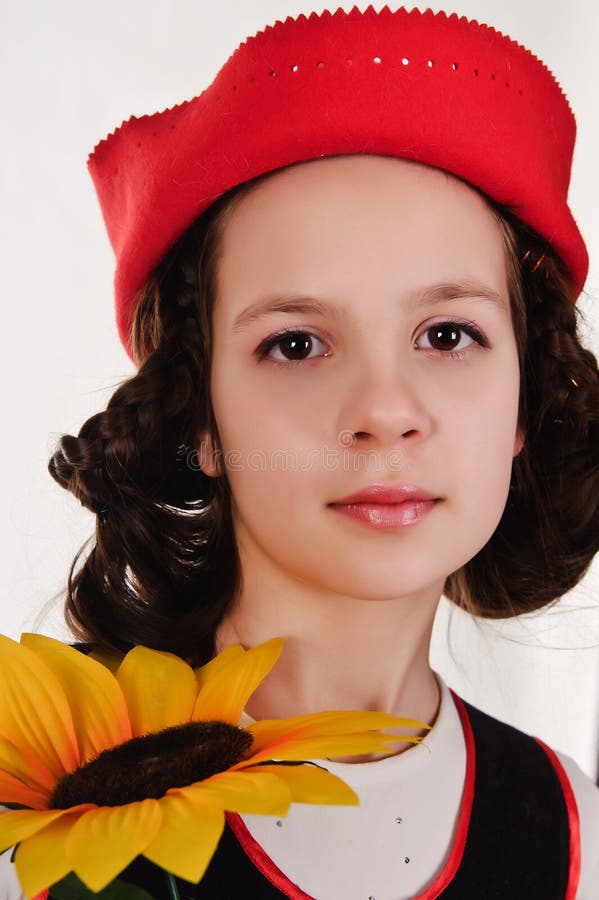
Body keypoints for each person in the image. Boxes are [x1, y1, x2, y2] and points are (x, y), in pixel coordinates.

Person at [2, 5, 598, 899]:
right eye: (295, 344)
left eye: (446, 334)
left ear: (525, 402)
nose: (384, 413)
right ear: (197, 414)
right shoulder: (31, 832)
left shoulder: (576, 837)